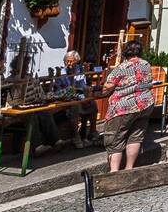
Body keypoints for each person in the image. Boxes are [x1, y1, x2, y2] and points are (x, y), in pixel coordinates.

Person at [101, 40, 155, 172]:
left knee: (115, 139)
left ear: (126, 52)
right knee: (136, 136)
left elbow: (107, 87)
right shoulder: (146, 65)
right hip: (145, 104)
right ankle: (129, 168)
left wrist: (103, 90)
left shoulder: (122, 68)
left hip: (124, 107)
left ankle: (114, 172)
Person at [60, 48, 99, 146]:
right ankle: (75, 135)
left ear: (76, 62)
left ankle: (92, 132)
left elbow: (82, 85)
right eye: (67, 61)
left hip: (79, 95)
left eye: (72, 61)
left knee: (92, 104)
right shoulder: (62, 71)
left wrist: (85, 96)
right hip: (65, 97)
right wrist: (72, 77)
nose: (69, 63)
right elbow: (66, 89)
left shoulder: (79, 69)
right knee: (75, 106)